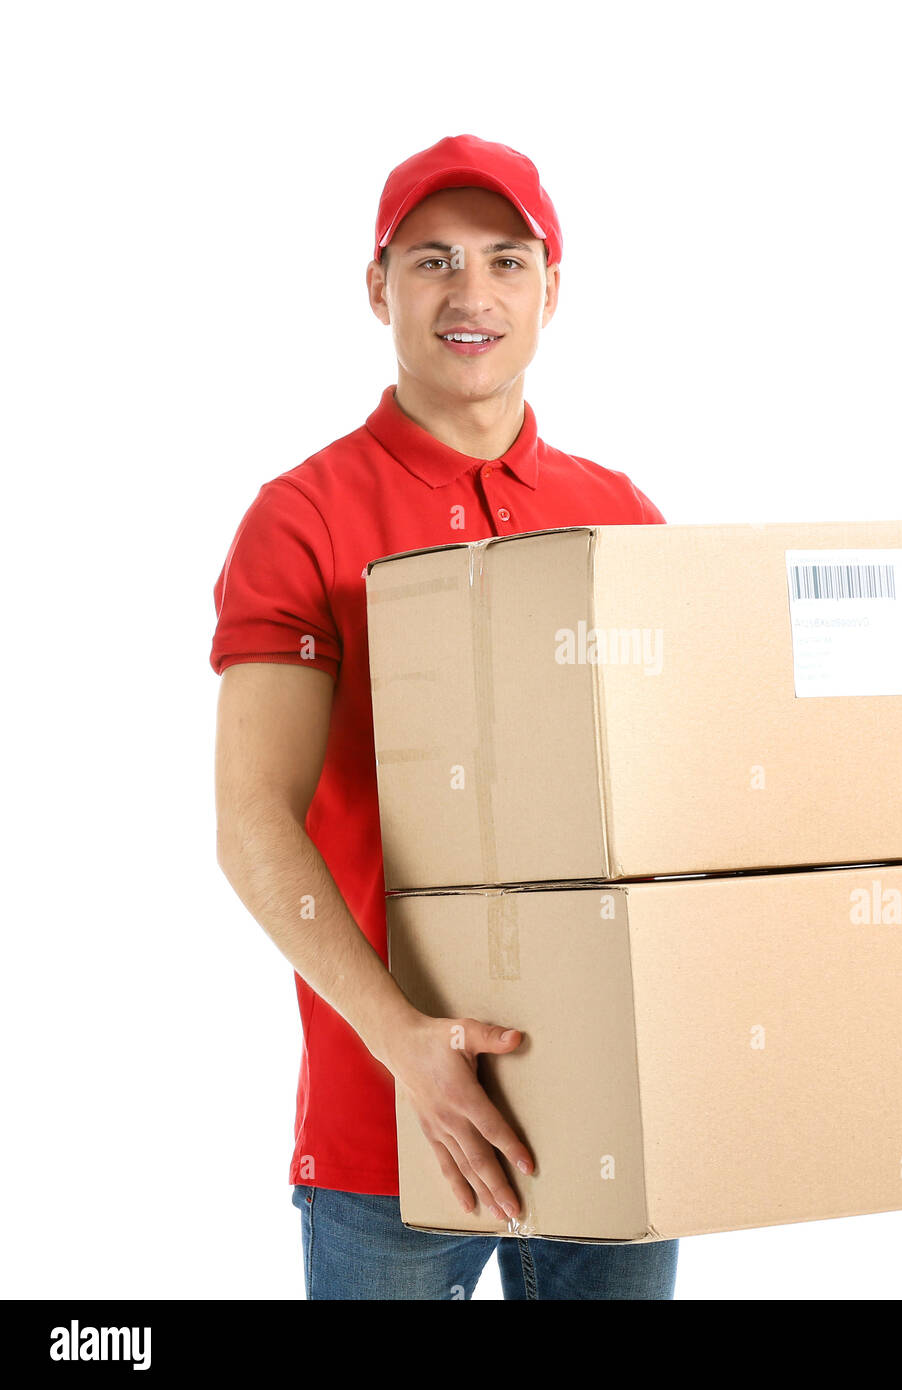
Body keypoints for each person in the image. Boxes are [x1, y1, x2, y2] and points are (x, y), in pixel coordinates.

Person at [210, 134, 677, 1300]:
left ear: (551, 291)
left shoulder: (619, 516)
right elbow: (252, 820)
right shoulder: (302, 517)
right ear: (378, 287)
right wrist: (399, 1040)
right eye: (433, 261)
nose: (472, 294)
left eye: (507, 261)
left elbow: (675, 805)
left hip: (612, 1104)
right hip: (387, 1130)